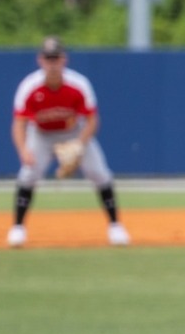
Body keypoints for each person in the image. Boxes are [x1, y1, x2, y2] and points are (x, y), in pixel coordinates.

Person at [7, 36, 129, 248]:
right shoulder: (29, 86)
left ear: (64, 60)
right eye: (48, 58)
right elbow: (19, 123)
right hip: (41, 135)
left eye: (56, 58)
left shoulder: (78, 84)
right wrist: (23, 149)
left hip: (74, 132)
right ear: (40, 60)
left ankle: (115, 226)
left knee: (99, 172)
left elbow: (92, 120)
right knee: (28, 174)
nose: (52, 63)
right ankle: (18, 228)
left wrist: (79, 145)